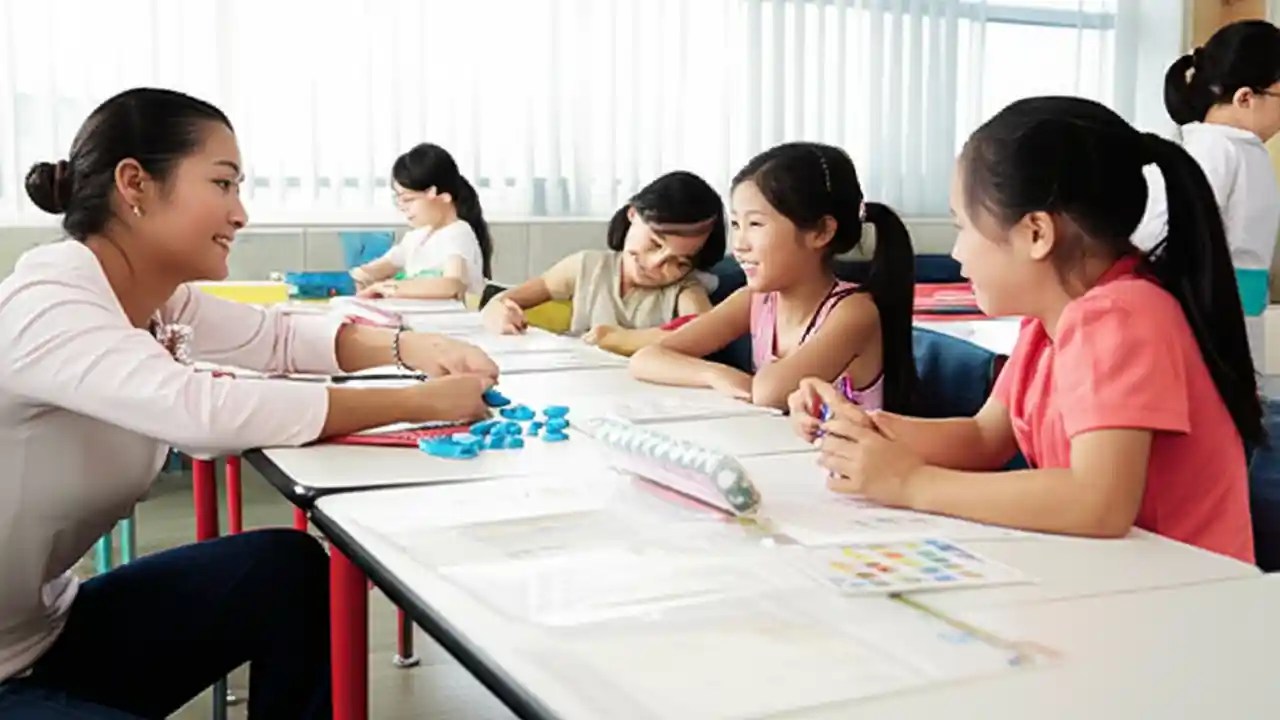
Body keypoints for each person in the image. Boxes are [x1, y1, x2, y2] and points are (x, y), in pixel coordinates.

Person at [0, 88, 498, 719]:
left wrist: (409, 344)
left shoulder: (153, 297)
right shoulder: (50, 301)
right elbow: (200, 411)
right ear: (136, 184)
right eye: (223, 183)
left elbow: (275, 338)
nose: (241, 213)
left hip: (46, 633)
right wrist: (419, 401)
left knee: (285, 570)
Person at [795, 96, 1262, 563]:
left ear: (1036, 233)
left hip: (1189, 602)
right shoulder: (1050, 322)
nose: (958, 253)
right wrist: (861, 427)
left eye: (964, 227)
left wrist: (911, 483)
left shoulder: (1121, 315)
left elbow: (1097, 502)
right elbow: (984, 438)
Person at [630, 142, 916, 411]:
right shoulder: (759, 300)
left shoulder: (853, 312)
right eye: (735, 224)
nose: (739, 244)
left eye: (755, 224)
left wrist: (741, 382)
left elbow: (770, 392)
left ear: (821, 232)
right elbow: (647, 358)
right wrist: (713, 374)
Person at [482, 171, 724, 355]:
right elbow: (504, 301)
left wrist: (620, 339)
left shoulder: (684, 289)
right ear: (633, 215)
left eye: (679, 262)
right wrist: (499, 312)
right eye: (655, 244)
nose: (655, 264)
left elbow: (705, 335)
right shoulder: (587, 266)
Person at [352, 143, 493, 300]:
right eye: (398, 199)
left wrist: (388, 287)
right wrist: (363, 274)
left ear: (442, 196)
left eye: (408, 199)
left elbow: (451, 285)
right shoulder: (417, 237)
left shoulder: (458, 233)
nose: (402, 207)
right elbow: (387, 264)